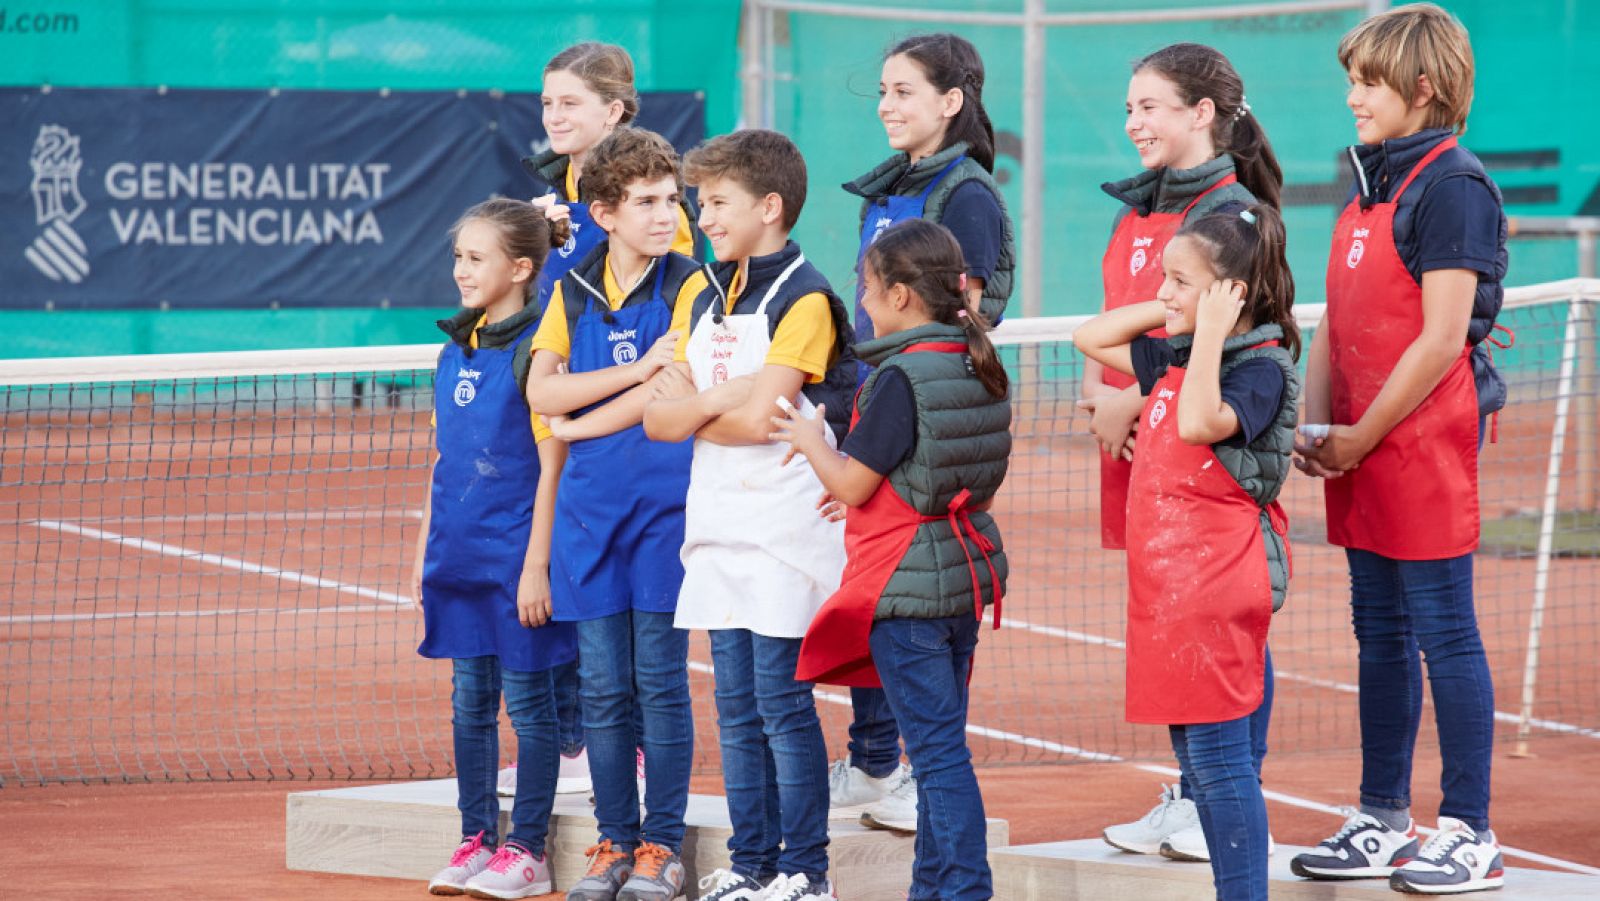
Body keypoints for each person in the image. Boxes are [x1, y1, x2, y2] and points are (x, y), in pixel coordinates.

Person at [1291, 5, 1508, 895]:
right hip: (1364, 445)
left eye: (1368, 82)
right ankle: (1383, 815)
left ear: (1422, 88)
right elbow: (1337, 325)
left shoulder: (1452, 185)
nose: (1352, 98)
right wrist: (1315, 429)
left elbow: (1440, 337)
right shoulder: (1368, 185)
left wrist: (1359, 435)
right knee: (1377, 632)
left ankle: (1471, 830)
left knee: (1444, 632)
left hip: (1423, 441)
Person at [643, 128, 852, 901]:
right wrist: (721, 402)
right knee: (734, 706)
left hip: (785, 531)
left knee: (780, 704)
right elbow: (657, 417)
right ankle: (754, 862)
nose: (703, 217)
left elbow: (769, 418)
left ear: (770, 207)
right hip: (717, 523)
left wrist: (699, 405)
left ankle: (808, 872)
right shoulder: (698, 286)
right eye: (700, 203)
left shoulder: (807, 295)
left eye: (717, 202)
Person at [1086, 42, 1283, 864]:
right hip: (1147, 457)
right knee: (1178, 639)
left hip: (1197, 470)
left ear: (1202, 114)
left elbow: (1224, 348)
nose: (1133, 122)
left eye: (1150, 107)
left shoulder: (1231, 217)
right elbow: (1110, 323)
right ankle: (1195, 786)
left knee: (1227, 646)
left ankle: (1216, 791)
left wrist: (1135, 395)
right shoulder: (1137, 212)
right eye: (1128, 107)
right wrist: (1106, 397)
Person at [776, 218, 1010, 901]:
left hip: (905, 589)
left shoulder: (900, 376)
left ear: (904, 295)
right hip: (963, 577)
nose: (863, 301)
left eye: (869, 286)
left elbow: (851, 483)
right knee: (939, 750)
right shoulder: (976, 359)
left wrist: (810, 436)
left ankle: (965, 888)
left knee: (938, 757)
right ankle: (933, 887)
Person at [1074, 203, 1301, 901]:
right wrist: (1177, 305)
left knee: (1220, 761)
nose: (1164, 292)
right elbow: (1092, 334)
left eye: (1179, 280)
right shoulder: (1180, 349)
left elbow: (1203, 421)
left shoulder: (1260, 369)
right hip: (1171, 587)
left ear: (1232, 293)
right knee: (1195, 760)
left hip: (1217, 580)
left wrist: (1206, 331)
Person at [832, 30, 1016, 834]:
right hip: (875, 407)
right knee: (875, 588)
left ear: (950, 101)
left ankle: (908, 770)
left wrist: (904, 397)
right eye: (880, 91)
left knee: (917, 594)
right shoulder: (887, 190)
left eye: (903, 91)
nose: (886, 106)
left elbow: (970, 313)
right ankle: (874, 756)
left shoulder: (967, 194)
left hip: (917, 420)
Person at [522, 126, 708, 901]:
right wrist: (633, 369)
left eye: (671, 199)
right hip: (587, 518)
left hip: (666, 511)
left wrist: (583, 401)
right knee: (601, 687)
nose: (665, 215)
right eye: (646, 203)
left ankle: (662, 844)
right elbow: (540, 394)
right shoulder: (569, 292)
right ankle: (613, 841)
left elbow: (673, 390)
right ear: (603, 212)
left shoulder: (694, 284)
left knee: (661, 682)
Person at [414, 198, 577, 899]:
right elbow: (445, 458)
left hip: (517, 564)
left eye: (476, 258)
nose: (461, 270)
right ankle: (476, 835)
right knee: (468, 704)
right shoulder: (454, 349)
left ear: (521, 267)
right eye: (458, 256)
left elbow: (553, 464)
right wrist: (425, 549)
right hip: (457, 563)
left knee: (532, 708)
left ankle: (527, 848)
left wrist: (537, 563)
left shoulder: (539, 352)